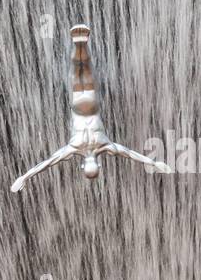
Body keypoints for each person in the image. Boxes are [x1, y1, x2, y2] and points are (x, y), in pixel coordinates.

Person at [11, 24, 172, 191]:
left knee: (86, 70)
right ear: (82, 166)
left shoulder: (106, 145)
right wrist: (24, 176)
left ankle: (82, 45)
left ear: (98, 165)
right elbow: (48, 163)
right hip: (78, 105)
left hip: (92, 103)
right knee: (77, 72)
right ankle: (79, 45)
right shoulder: (74, 148)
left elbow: (131, 154)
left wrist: (154, 163)